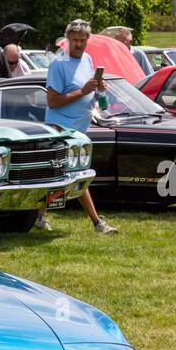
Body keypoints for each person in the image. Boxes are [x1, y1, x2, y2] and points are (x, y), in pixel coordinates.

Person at [37, 19, 117, 235]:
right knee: (77, 173)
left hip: (80, 128)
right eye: (75, 41)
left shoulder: (88, 59)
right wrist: (82, 91)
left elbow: (92, 93)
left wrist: (98, 88)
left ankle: (38, 216)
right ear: (67, 40)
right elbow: (53, 101)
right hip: (61, 129)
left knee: (58, 174)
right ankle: (98, 223)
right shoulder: (58, 64)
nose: (79, 45)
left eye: (83, 40)